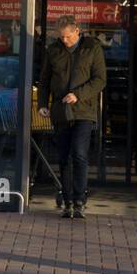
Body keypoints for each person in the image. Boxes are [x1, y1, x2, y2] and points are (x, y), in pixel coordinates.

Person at [38, 15, 106, 220]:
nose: (64, 41)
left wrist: (79, 94)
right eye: (61, 37)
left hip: (84, 110)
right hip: (60, 111)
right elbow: (44, 80)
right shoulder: (54, 50)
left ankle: (80, 199)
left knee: (79, 153)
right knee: (64, 156)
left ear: (77, 31)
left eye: (67, 37)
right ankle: (67, 201)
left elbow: (100, 80)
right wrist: (42, 104)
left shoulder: (92, 48)